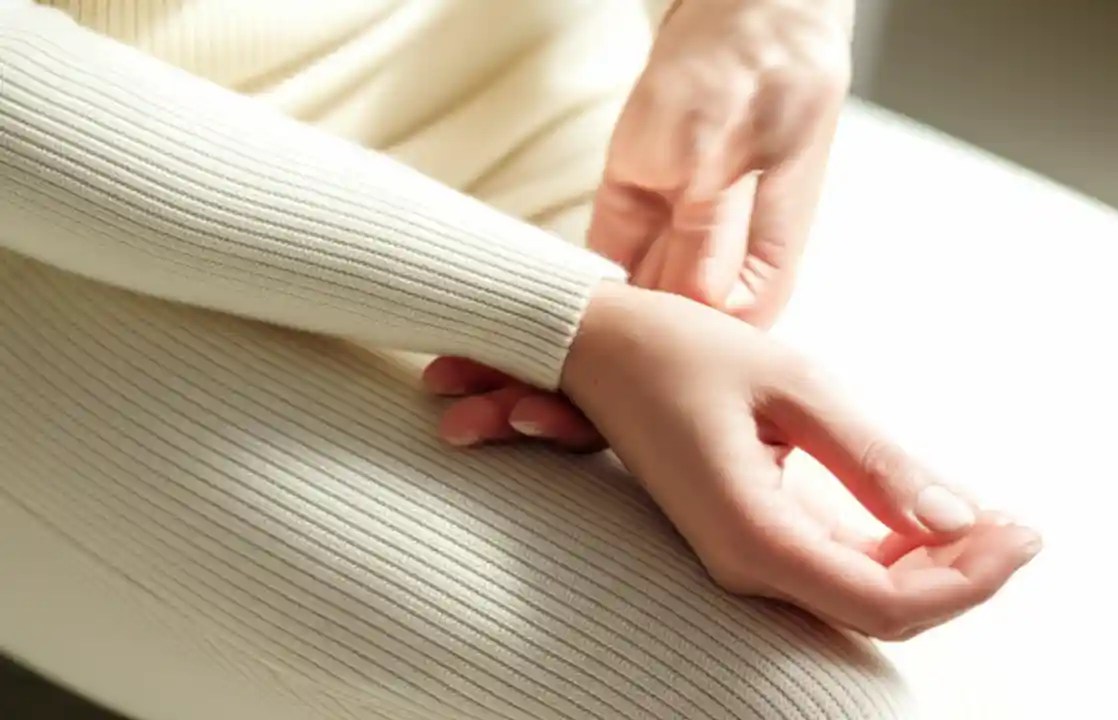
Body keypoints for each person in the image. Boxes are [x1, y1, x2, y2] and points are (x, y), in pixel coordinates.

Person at [0, 0, 1039, 718]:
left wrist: (765, 17)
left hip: (558, 98)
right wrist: (562, 317)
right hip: (60, 218)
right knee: (800, 700)